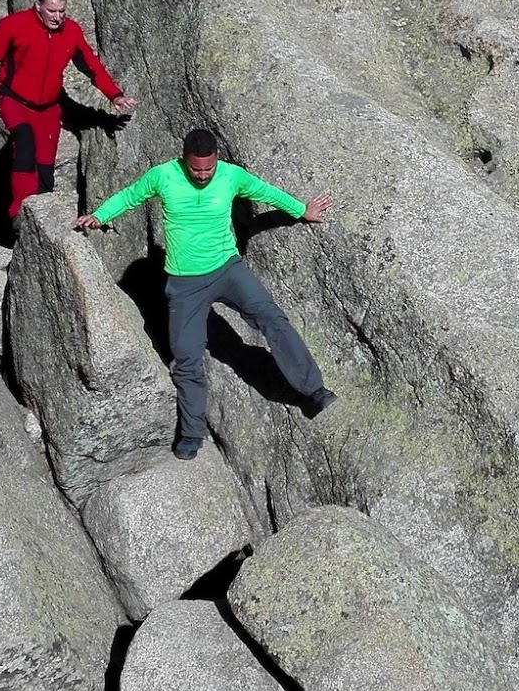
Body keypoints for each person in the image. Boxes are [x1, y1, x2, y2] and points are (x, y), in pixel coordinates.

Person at [74, 128, 337, 459]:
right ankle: (192, 434)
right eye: (195, 169)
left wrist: (302, 210)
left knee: (271, 317)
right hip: (184, 285)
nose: (201, 175)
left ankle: (313, 389)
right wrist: (100, 216)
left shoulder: (230, 176)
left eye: (207, 169)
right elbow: (130, 196)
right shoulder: (163, 176)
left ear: (216, 162)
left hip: (228, 269)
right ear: (185, 160)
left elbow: (266, 192)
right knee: (185, 359)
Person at [0, 0, 137, 219]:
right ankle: (20, 210)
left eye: (61, 12)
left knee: (45, 168)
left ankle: (38, 221)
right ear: (38, 6)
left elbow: (91, 66)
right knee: (24, 140)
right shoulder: (14, 26)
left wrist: (115, 94)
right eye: (51, 11)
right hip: (14, 100)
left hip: (49, 108)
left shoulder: (71, 32)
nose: (57, 17)